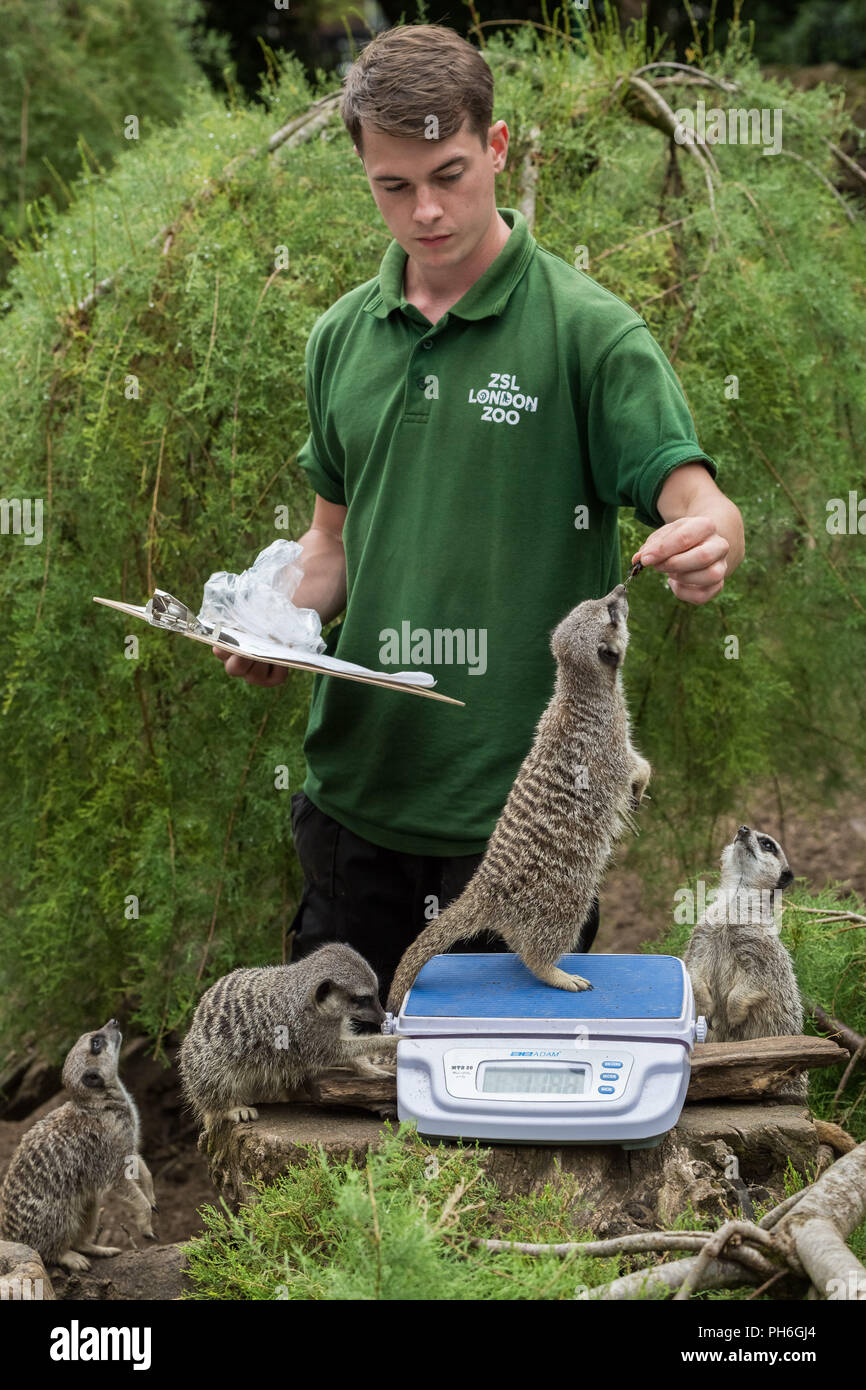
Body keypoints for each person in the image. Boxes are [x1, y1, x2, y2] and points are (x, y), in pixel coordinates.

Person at [214, 24, 744, 999]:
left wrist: (707, 531)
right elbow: (328, 545)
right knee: (337, 1121)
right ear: (365, 173)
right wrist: (276, 622)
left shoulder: (588, 333)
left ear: (496, 149)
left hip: (522, 832)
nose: (424, 211)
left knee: (489, 1134)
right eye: (393, 185)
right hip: (352, 817)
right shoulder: (340, 337)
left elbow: (690, 492)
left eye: (449, 174)